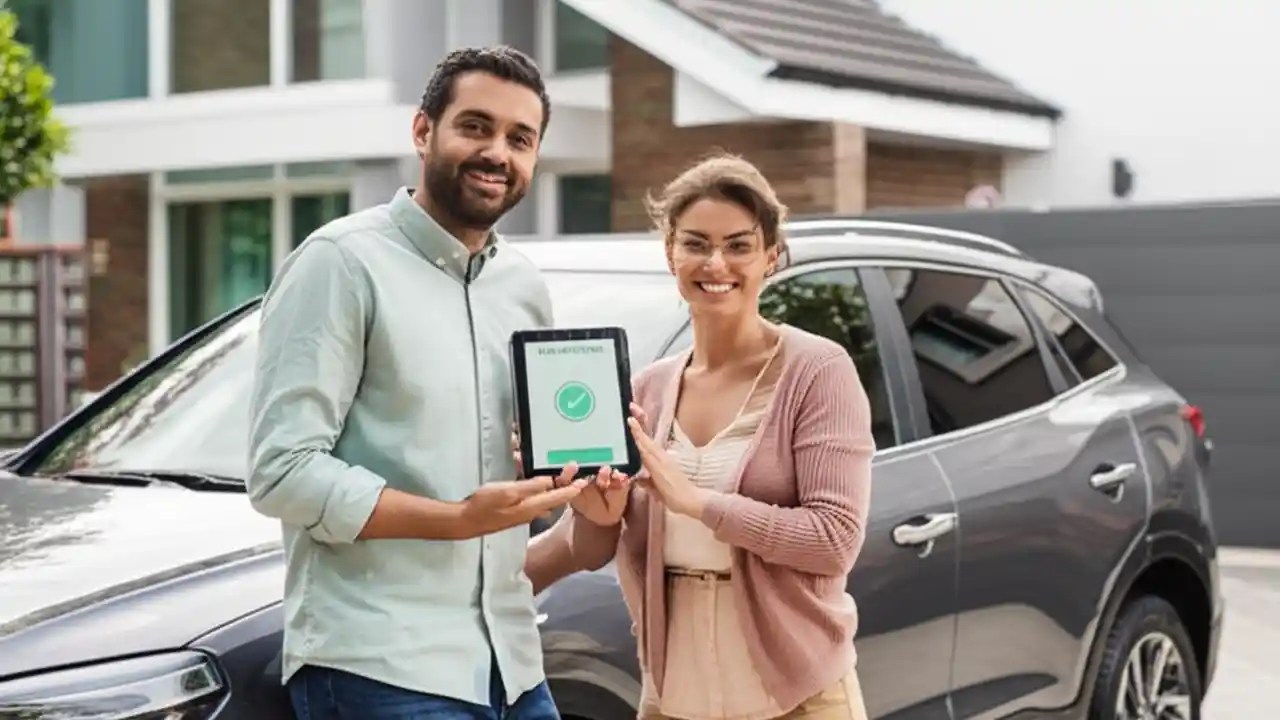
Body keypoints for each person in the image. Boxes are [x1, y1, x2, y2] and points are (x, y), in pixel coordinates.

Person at [247, 46, 620, 720]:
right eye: (475, 127)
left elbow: (520, 475)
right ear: (424, 131)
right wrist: (456, 522)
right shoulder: (340, 264)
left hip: (511, 666)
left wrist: (585, 487)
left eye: (519, 138)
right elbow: (282, 470)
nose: (497, 153)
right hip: (380, 669)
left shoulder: (524, 289)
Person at [526, 153, 875, 719]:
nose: (716, 262)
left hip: (798, 697)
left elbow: (834, 540)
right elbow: (585, 549)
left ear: (770, 256)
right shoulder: (648, 389)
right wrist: (600, 511)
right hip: (674, 697)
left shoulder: (818, 371)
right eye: (696, 244)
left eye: (738, 245)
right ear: (671, 253)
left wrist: (699, 503)